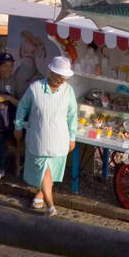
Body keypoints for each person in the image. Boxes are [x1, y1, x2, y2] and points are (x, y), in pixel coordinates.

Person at [14, 56, 76, 216]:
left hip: (59, 137)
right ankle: (50, 206)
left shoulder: (68, 91)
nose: (62, 81)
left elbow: (72, 115)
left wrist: (72, 137)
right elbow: (22, 107)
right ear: (50, 72)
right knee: (43, 169)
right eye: (59, 78)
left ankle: (41, 193)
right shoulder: (35, 88)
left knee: (51, 171)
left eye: (65, 78)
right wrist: (18, 125)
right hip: (38, 136)